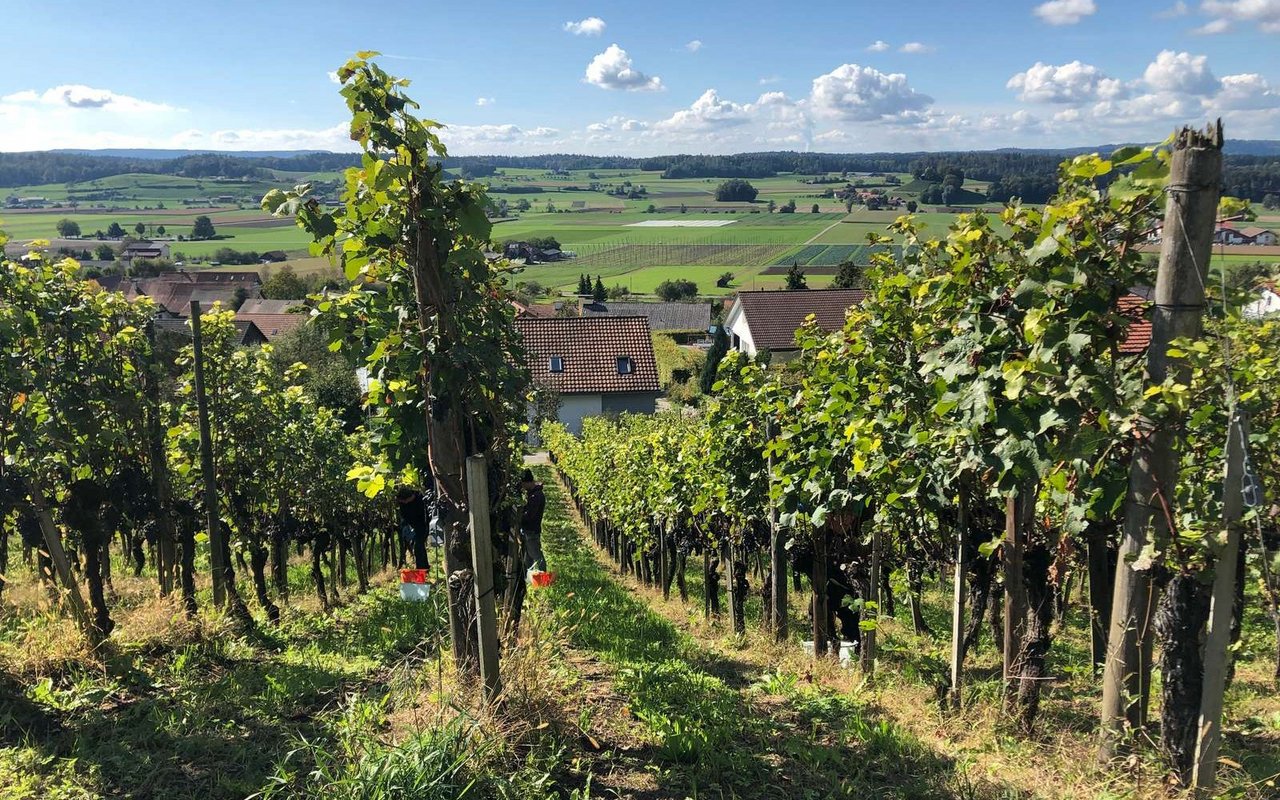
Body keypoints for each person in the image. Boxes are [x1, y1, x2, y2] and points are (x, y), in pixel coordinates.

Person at [396, 486, 430, 570]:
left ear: (410, 497)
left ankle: (421, 569)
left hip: (423, 523)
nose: (405, 503)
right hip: (413, 525)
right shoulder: (403, 503)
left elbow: (426, 513)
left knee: (418, 546)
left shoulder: (420, 498)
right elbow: (404, 515)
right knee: (419, 546)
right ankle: (424, 568)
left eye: (405, 501)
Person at [520, 468, 547, 572]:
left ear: (527, 482)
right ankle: (529, 577)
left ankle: (544, 578)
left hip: (531, 530)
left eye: (522, 484)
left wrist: (519, 517)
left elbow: (530, 515)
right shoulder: (533, 493)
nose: (522, 487)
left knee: (536, 555)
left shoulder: (536, 496)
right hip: (530, 530)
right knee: (528, 557)